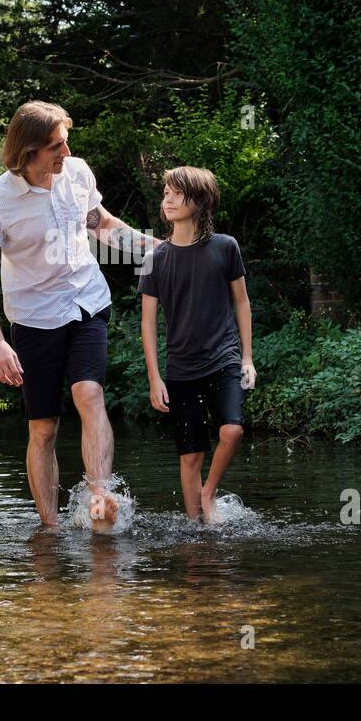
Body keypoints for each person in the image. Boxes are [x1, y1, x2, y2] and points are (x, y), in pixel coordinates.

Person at [0, 101, 161, 531]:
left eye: (66, 141)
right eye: (56, 145)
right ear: (29, 151)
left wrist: (151, 246)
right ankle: (51, 530)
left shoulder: (76, 174)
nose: (66, 152)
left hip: (86, 301)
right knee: (44, 427)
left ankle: (99, 498)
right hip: (34, 319)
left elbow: (100, 223)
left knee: (89, 393)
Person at [139, 166, 255, 522]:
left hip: (223, 358)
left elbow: (242, 302)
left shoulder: (225, 247)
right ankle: (195, 531)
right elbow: (147, 322)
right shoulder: (154, 258)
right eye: (166, 193)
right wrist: (154, 378)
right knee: (190, 457)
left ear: (199, 201)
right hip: (180, 369)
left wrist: (247, 359)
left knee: (232, 430)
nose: (168, 199)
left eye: (177, 193)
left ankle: (209, 493)